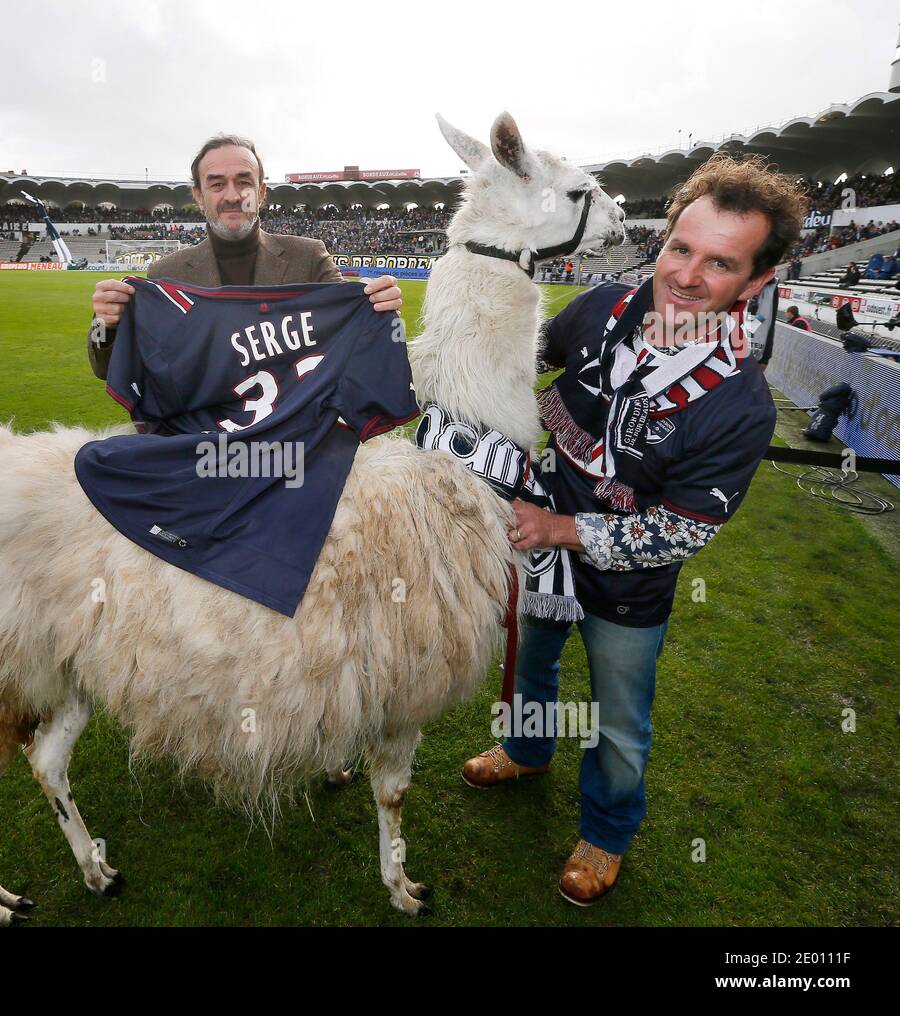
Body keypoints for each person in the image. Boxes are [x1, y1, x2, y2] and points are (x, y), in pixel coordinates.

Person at [460, 153, 807, 905]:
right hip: (544, 550)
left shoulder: (741, 406)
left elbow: (678, 533)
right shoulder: (601, 310)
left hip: (626, 581)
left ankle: (606, 833)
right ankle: (524, 750)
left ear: (755, 283)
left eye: (720, 263)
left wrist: (557, 528)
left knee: (618, 722)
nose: (685, 275)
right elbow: (513, 366)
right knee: (528, 669)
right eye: (680, 247)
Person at [86, 133, 401, 380]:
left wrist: (375, 303)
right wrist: (105, 326)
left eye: (244, 182)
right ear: (199, 196)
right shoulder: (166, 274)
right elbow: (109, 369)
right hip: (200, 446)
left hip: (294, 444)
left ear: (261, 193)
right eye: (217, 184)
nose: (233, 196)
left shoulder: (309, 257)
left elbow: (353, 336)